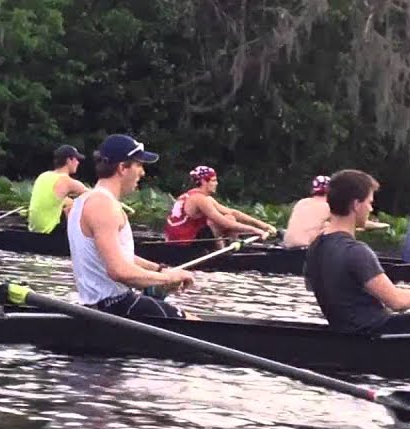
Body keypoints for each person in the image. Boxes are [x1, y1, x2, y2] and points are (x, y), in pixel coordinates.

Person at [304, 170, 410, 336]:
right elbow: (398, 301)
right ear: (356, 205)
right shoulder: (356, 251)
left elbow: (326, 289)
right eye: (370, 202)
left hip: (345, 332)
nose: (371, 208)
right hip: (375, 332)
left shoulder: (315, 246)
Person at [69, 134, 196, 319]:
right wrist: (168, 279)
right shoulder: (103, 205)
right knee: (201, 326)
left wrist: (159, 270)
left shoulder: (85, 200)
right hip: (116, 307)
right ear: (123, 168)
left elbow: (116, 254)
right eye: (139, 165)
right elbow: (118, 270)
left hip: (101, 307)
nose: (143, 173)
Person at [163, 165, 275, 243]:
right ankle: (227, 253)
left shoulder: (195, 196)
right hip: (182, 244)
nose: (216, 183)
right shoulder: (199, 199)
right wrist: (256, 231)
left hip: (177, 239)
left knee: (230, 216)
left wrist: (264, 225)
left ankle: (228, 248)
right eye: (213, 180)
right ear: (203, 182)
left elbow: (234, 212)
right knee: (227, 220)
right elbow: (225, 223)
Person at [285, 175, 388, 248]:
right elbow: (358, 223)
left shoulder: (302, 203)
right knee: (329, 227)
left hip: (288, 246)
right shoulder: (328, 206)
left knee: (328, 225)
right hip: (305, 249)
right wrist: (383, 225)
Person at [27, 144, 89, 234]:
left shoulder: (43, 176)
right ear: (69, 160)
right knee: (73, 207)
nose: (78, 163)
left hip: (35, 228)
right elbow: (93, 195)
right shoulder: (66, 181)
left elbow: (51, 199)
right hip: (50, 231)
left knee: (69, 203)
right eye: (76, 159)